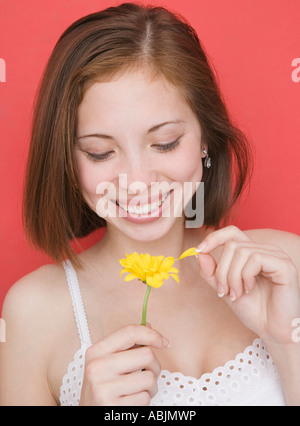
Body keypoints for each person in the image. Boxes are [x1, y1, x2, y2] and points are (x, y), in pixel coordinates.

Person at [0, 2, 299, 407]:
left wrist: (288, 344)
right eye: (101, 152)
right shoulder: (32, 313)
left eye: (165, 143)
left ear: (205, 140)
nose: (137, 182)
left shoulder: (285, 267)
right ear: (66, 158)